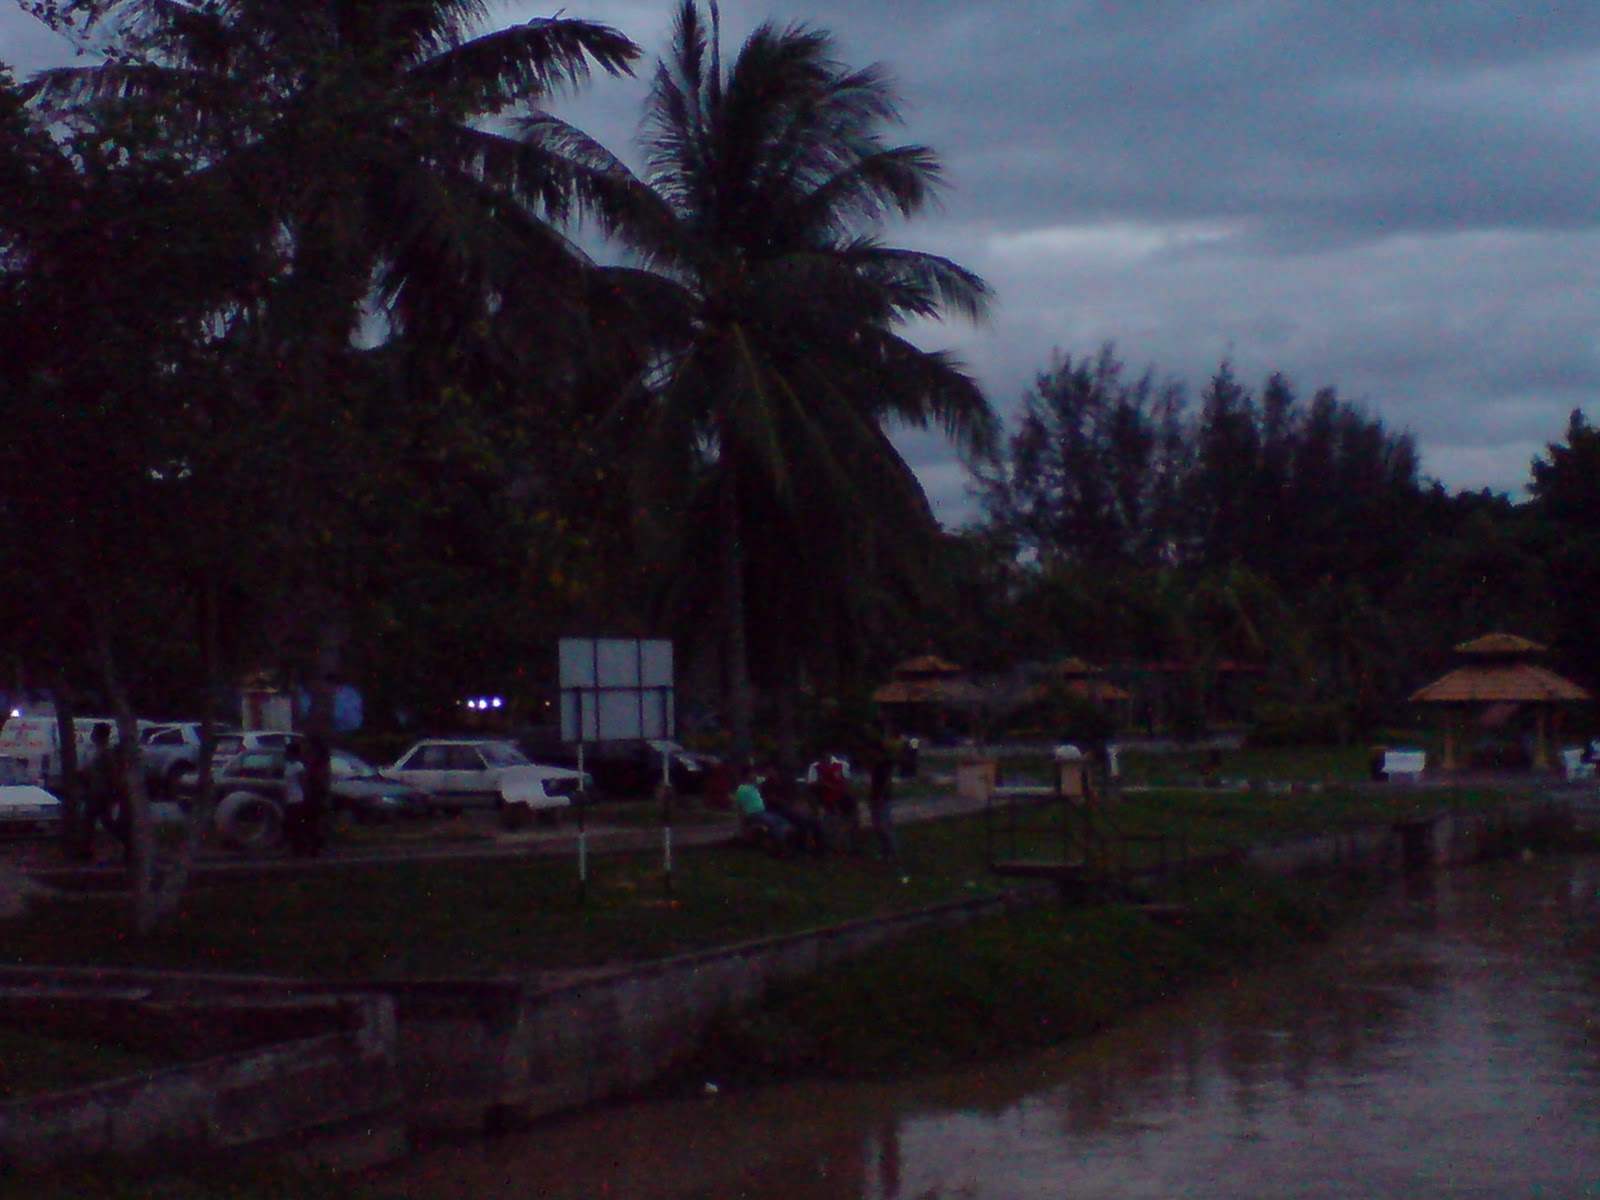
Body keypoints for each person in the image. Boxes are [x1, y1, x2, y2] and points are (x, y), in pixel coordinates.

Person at [83, 722, 131, 863]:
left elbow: (112, 775)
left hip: (101, 793)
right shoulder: (100, 751)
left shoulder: (105, 753)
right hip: (96, 792)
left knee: (100, 821)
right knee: (100, 821)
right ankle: (88, 850)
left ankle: (127, 845)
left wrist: (113, 792)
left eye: (94, 732)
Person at [734, 764, 792, 853]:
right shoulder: (742, 789)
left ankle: (775, 844)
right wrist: (743, 824)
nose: (755, 775)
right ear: (746, 775)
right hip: (753, 813)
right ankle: (782, 848)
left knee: (783, 822)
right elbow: (740, 806)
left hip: (763, 811)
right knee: (774, 824)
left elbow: (764, 779)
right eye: (753, 773)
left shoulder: (755, 786)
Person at [868, 739, 898, 862]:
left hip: (883, 798)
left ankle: (891, 852)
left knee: (884, 826)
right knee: (877, 826)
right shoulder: (875, 765)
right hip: (875, 797)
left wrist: (881, 796)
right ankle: (883, 851)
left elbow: (886, 782)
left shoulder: (886, 765)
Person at [282, 740, 311, 856]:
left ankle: (300, 849)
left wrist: (306, 798)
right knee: (290, 825)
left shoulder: (298, 766)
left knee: (297, 825)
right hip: (289, 799)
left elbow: (303, 783)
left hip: (297, 799)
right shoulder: (288, 766)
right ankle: (295, 848)